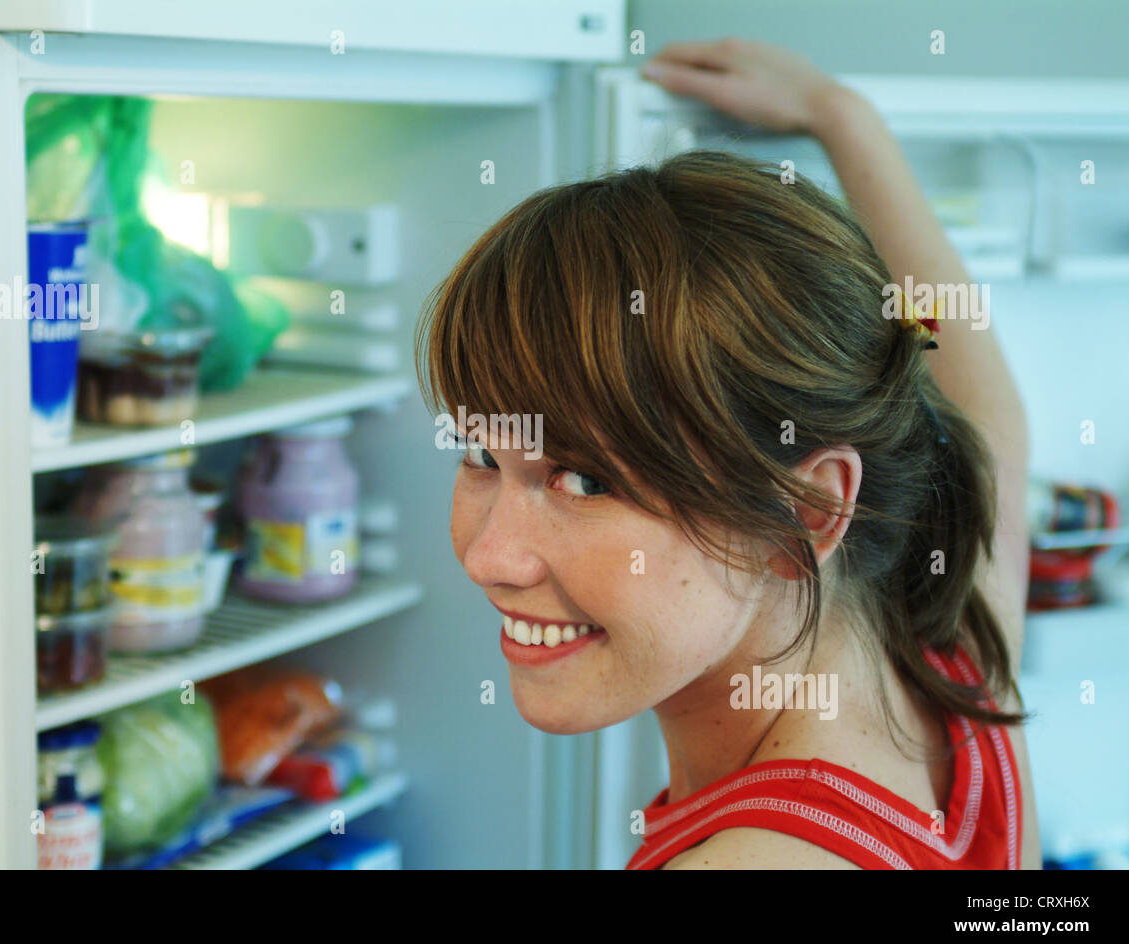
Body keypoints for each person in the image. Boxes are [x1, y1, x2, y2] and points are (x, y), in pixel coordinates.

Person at [416, 38, 1039, 869]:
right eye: (481, 454)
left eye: (585, 479)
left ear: (806, 510)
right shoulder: (961, 658)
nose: (489, 557)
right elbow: (979, 410)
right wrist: (841, 118)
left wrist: (842, 118)